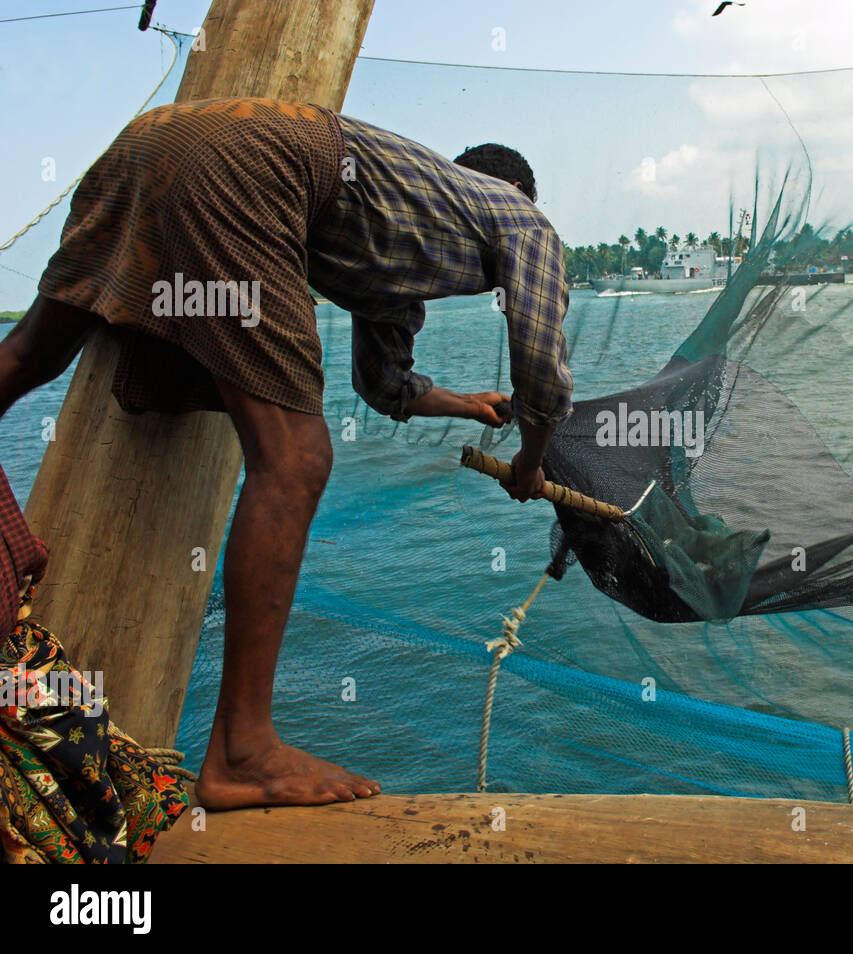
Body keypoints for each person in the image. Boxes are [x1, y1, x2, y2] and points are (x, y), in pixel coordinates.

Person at [0, 97, 573, 810]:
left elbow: (383, 384)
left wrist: (465, 403)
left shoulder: (396, 234)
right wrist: (531, 460)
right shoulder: (522, 217)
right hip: (254, 164)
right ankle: (243, 751)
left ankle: (158, 377)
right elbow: (544, 372)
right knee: (296, 460)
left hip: (151, 142)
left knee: (33, 352)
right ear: (511, 194)